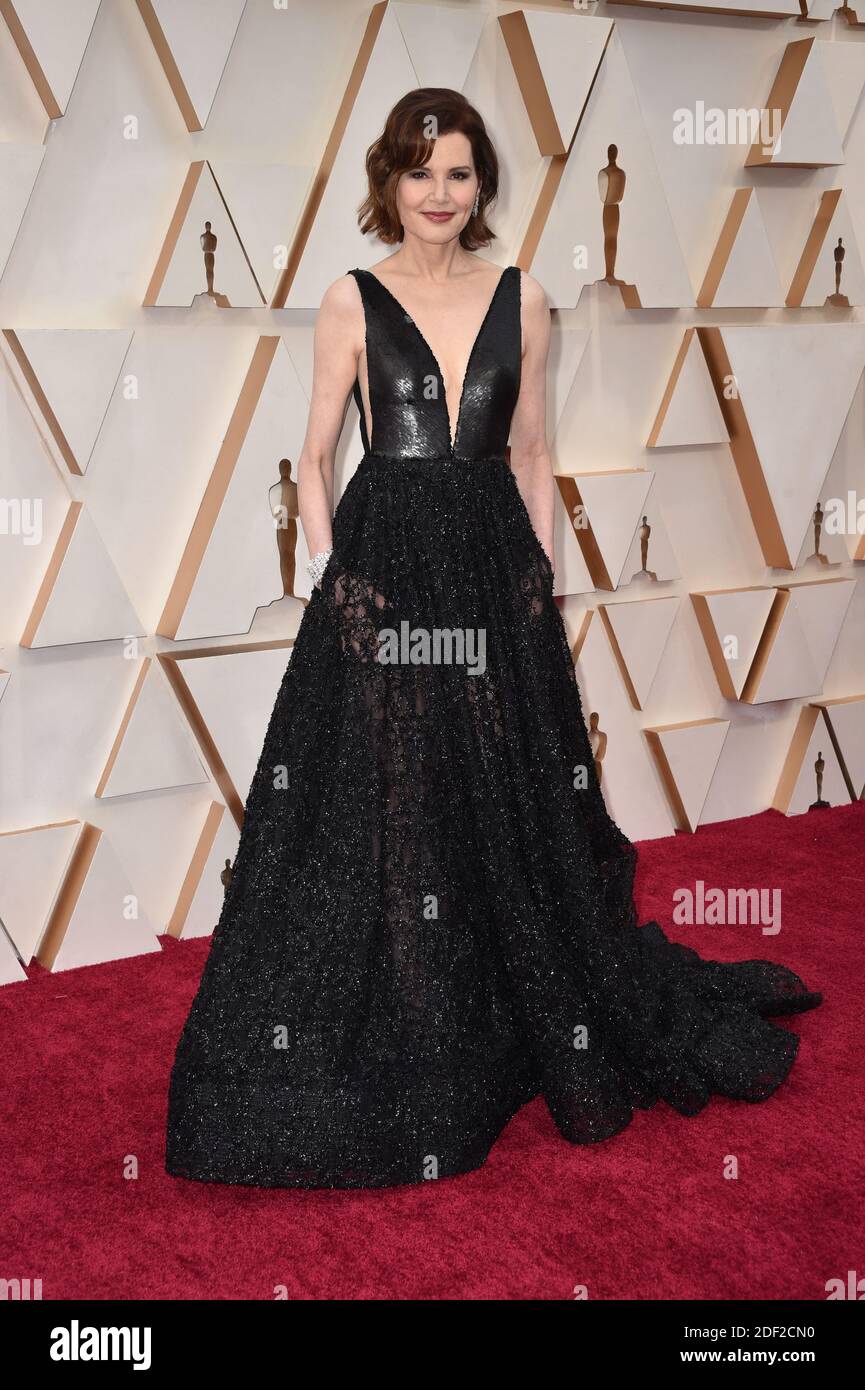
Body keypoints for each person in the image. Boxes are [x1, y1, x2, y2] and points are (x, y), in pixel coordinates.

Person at [165, 88, 822, 1189]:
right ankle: (412, 1020)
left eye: (459, 174)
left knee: (503, 798)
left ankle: (501, 1009)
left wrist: (539, 590)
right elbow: (316, 460)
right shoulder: (347, 300)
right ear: (390, 181)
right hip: (384, 572)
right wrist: (344, 584)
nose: (438, 193)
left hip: (489, 573)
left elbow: (531, 455)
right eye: (420, 172)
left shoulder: (525, 302)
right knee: (386, 801)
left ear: (481, 188)